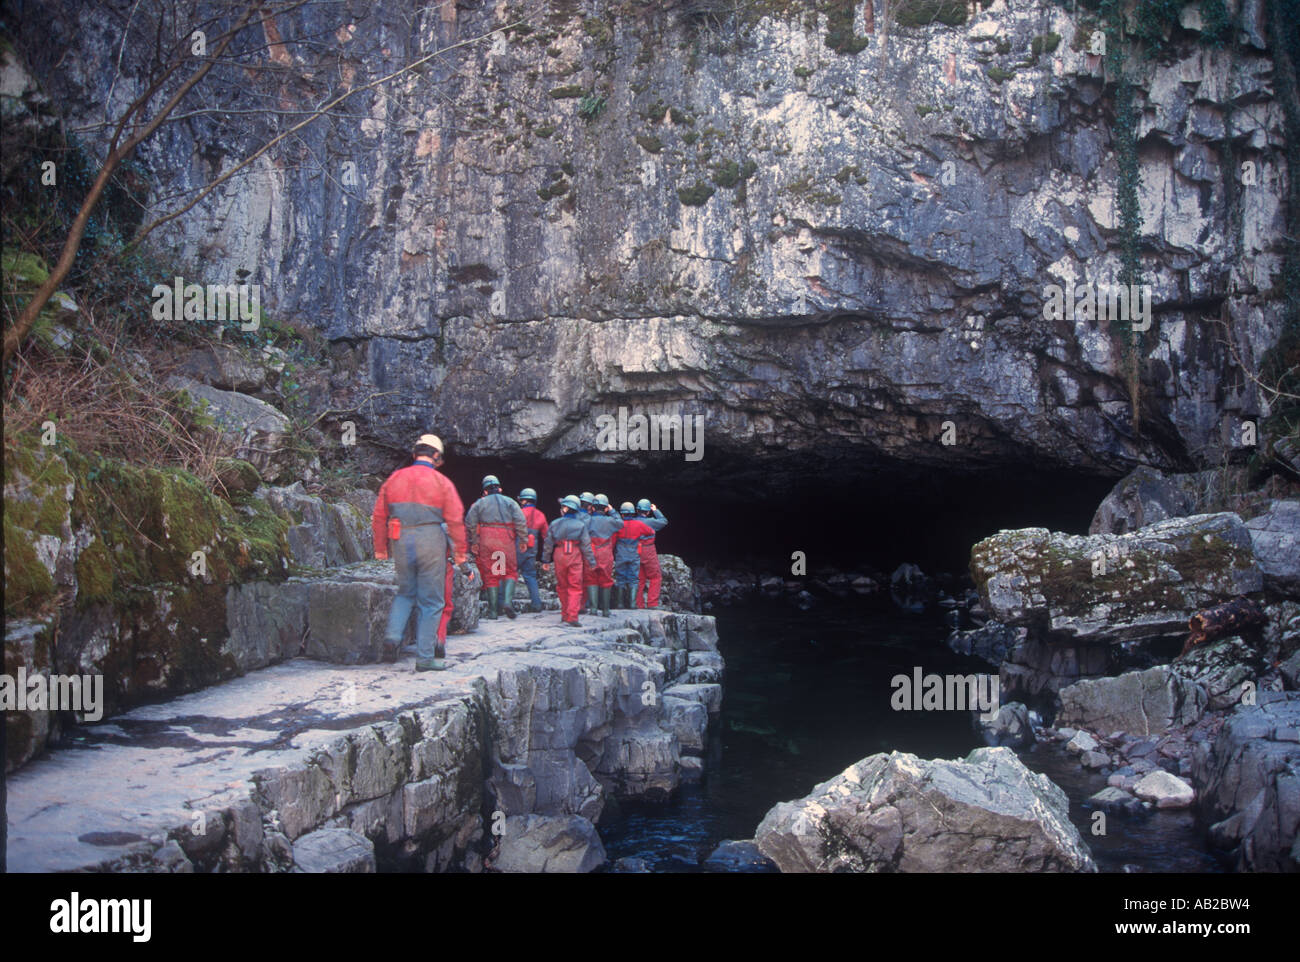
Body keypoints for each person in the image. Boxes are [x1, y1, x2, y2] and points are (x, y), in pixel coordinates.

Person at [371, 434, 472, 671]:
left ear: (415, 453)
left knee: (405, 592)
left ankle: (393, 637)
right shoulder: (442, 482)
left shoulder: (394, 478)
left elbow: (378, 516)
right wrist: (460, 554)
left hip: (400, 538)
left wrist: (380, 549)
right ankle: (425, 658)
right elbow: (455, 521)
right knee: (432, 601)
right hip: (430, 539)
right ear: (436, 456)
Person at [465, 475, 529, 620]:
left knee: (491, 575)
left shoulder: (479, 504)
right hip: (506, 538)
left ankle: (493, 612)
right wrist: (523, 540)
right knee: (510, 572)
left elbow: (470, 522)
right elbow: (520, 521)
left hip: (487, 538)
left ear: (485, 491)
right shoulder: (510, 502)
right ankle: (507, 602)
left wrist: (474, 542)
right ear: (499, 488)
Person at [541, 495, 597, 626]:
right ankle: (572, 616)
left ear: (565, 508)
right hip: (575, 554)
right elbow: (586, 546)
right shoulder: (580, 525)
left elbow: (548, 543)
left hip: (559, 553)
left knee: (562, 586)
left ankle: (564, 614)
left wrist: (545, 561)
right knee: (575, 586)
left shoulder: (554, 523)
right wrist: (591, 562)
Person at [583, 494, 624, 617]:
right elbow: (620, 523)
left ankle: (593, 609)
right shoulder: (611, 521)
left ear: (593, 508)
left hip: (590, 551)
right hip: (605, 552)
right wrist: (612, 511)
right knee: (606, 580)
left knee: (591, 579)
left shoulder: (587, 520)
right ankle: (606, 610)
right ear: (606, 508)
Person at [612, 502, 654, 610]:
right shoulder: (639, 524)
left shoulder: (618, 524)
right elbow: (651, 531)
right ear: (633, 513)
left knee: (620, 579)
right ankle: (632, 604)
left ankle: (620, 604)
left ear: (622, 514)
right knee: (634, 579)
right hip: (633, 554)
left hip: (621, 554)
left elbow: (612, 541)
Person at [516, 487, 549, 613]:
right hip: (531, 550)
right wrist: (545, 557)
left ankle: (502, 604)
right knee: (530, 576)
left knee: (508, 574)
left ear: (524, 500)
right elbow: (546, 536)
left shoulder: (518, 513)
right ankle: (536, 604)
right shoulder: (541, 515)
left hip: (517, 547)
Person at [634, 498, 668, 609]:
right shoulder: (651, 522)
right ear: (648, 511)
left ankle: (639, 605)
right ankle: (652, 603)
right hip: (648, 550)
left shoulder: (633, 521)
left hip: (635, 550)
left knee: (640, 579)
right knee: (655, 577)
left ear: (637, 510)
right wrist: (656, 510)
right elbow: (664, 521)